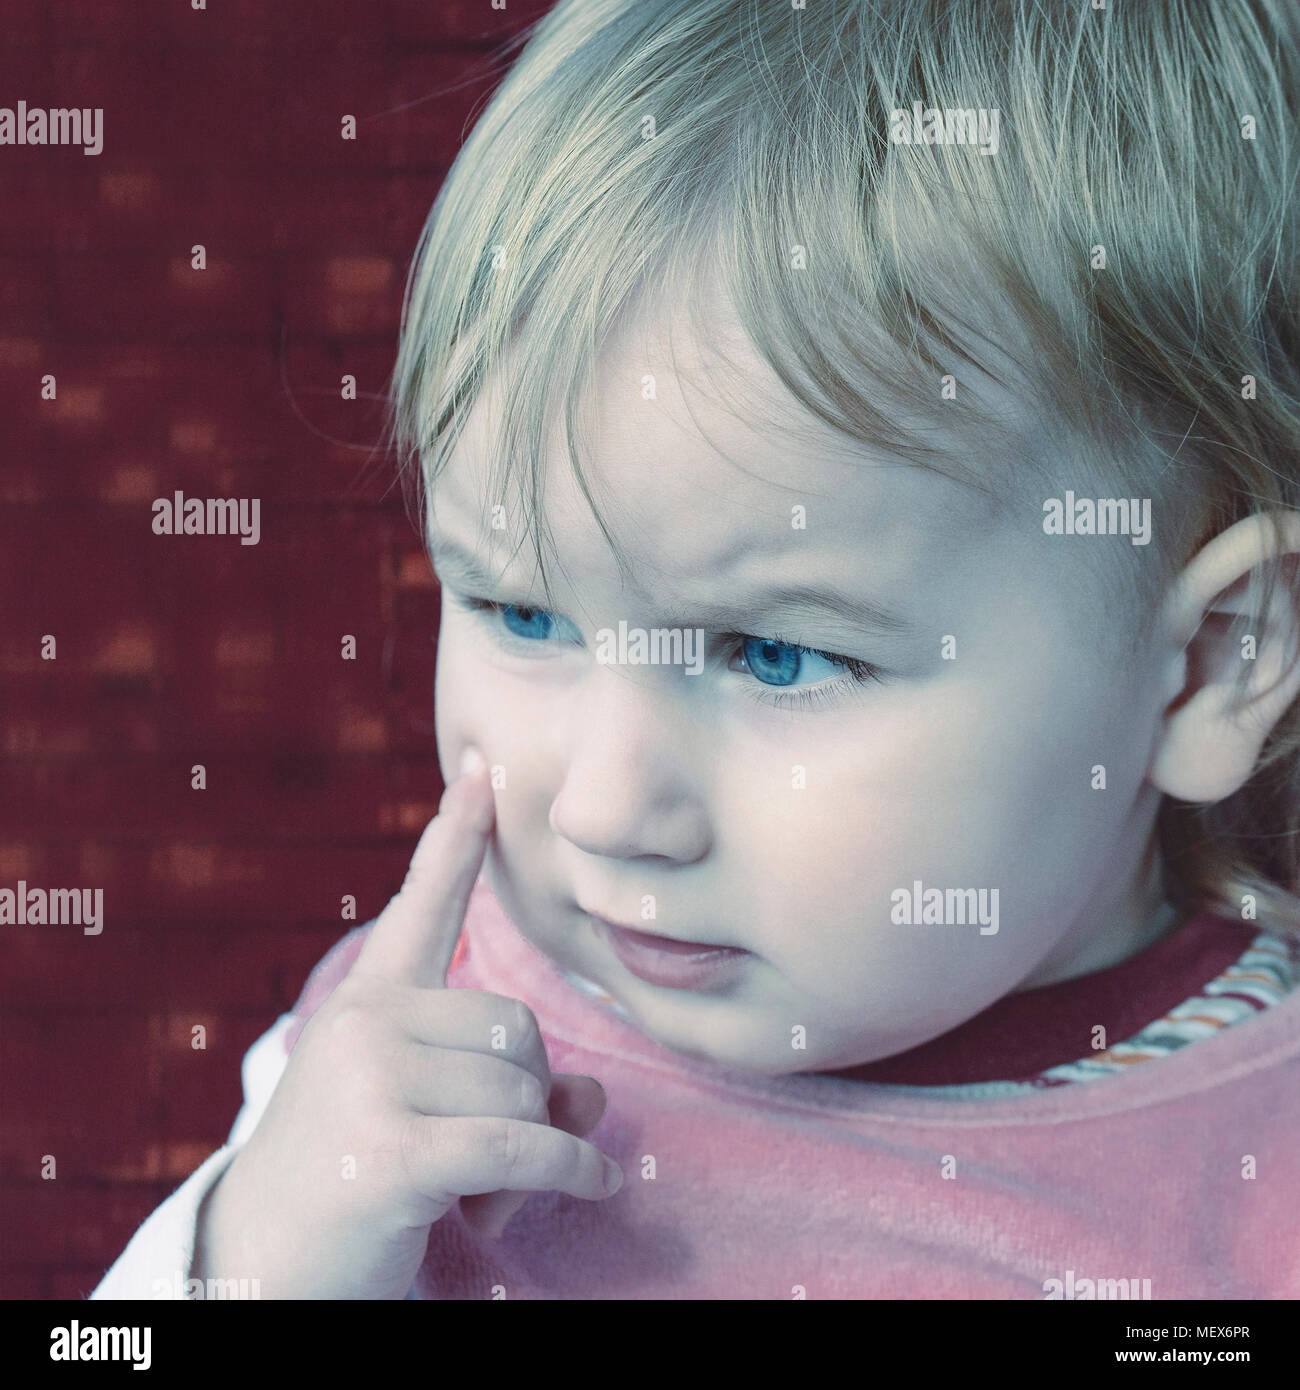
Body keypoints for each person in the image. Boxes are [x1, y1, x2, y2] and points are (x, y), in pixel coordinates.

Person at [94, 0, 1300, 1298]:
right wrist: (263, 1248)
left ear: (1207, 662)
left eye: (775, 657)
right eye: (524, 614)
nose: (605, 810)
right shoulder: (417, 1042)